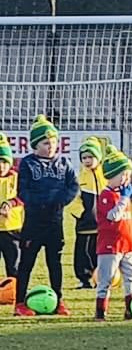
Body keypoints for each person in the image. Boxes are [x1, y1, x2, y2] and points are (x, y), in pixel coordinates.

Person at [17, 116, 78, 314]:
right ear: (35, 144)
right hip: (34, 222)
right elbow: (22, 190)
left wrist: (60, 201)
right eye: (46, 143)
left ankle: (58, 301)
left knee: (55, 262)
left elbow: (73, 185)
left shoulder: (64, 163)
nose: (51, 146)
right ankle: (19, 303)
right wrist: (38, 204)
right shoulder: (27, 164)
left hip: (55, 221)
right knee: (27, 262)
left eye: (53, 142)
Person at [92, 147, 132, 321]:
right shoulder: (107, 195)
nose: (127, 179)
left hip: (127, 244)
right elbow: (113, 216)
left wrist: (124, 197)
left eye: (128, 175)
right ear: (112, 175)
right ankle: (100, 312)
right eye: (123, 175)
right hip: (110, 246)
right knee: (107, 278)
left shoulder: (121, 194)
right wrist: (124, 199)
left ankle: (130, 309)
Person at [72, 135, 105, 291]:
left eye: (91, 157)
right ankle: (84, 279)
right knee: (82, 252)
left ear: (98, 157)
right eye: (84, 157)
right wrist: (80, 213)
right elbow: (73, 198)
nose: (87, 160)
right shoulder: (79, 178)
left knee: (99, 252)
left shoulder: (105, 177)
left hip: (103, 225)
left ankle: (100, 278)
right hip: (85, 223)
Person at [0, 140, 21, 294]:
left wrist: (10, 203)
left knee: (13, 263)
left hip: (12, 229)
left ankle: (13, 292)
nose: (1, 166)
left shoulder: (17, 178)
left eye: (4, 162)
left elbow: (24, 196)